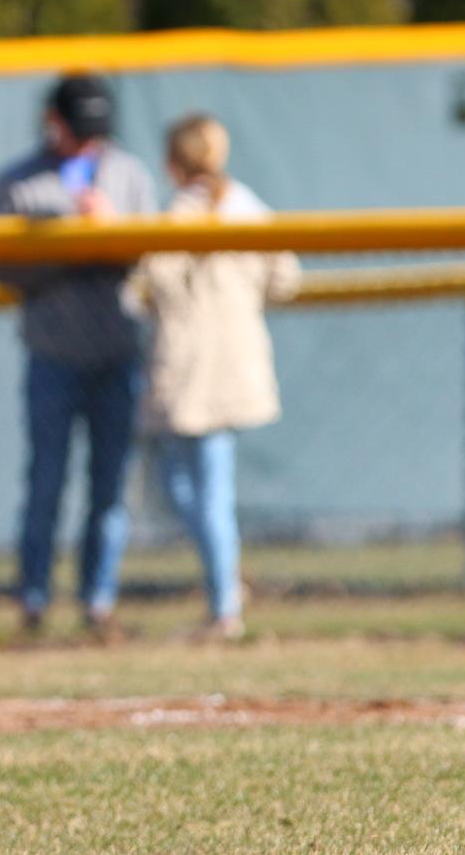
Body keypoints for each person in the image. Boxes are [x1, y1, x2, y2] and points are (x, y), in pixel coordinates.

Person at [0, 73, 157, 638]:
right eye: (76, 130)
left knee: (110, 489)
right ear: (52, 122)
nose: (86, 143)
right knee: (45, 483)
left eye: (94, 133)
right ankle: (33, 599)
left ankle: (97, 601)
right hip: (53, 355)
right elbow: (3, 270)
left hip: (117, 356)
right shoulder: (17, 183)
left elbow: (150, 257)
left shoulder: (129, 175)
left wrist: (109, 233)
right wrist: (64, 243)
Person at [132, 113, 299, 639]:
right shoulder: (248, 205)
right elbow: (285, 279)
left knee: (197, 488)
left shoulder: (180, 214)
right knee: (195, 486)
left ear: (173, 163)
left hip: (190, 365)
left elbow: (144, 290)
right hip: (236, 359)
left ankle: (225, 604)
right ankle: (224, 584)